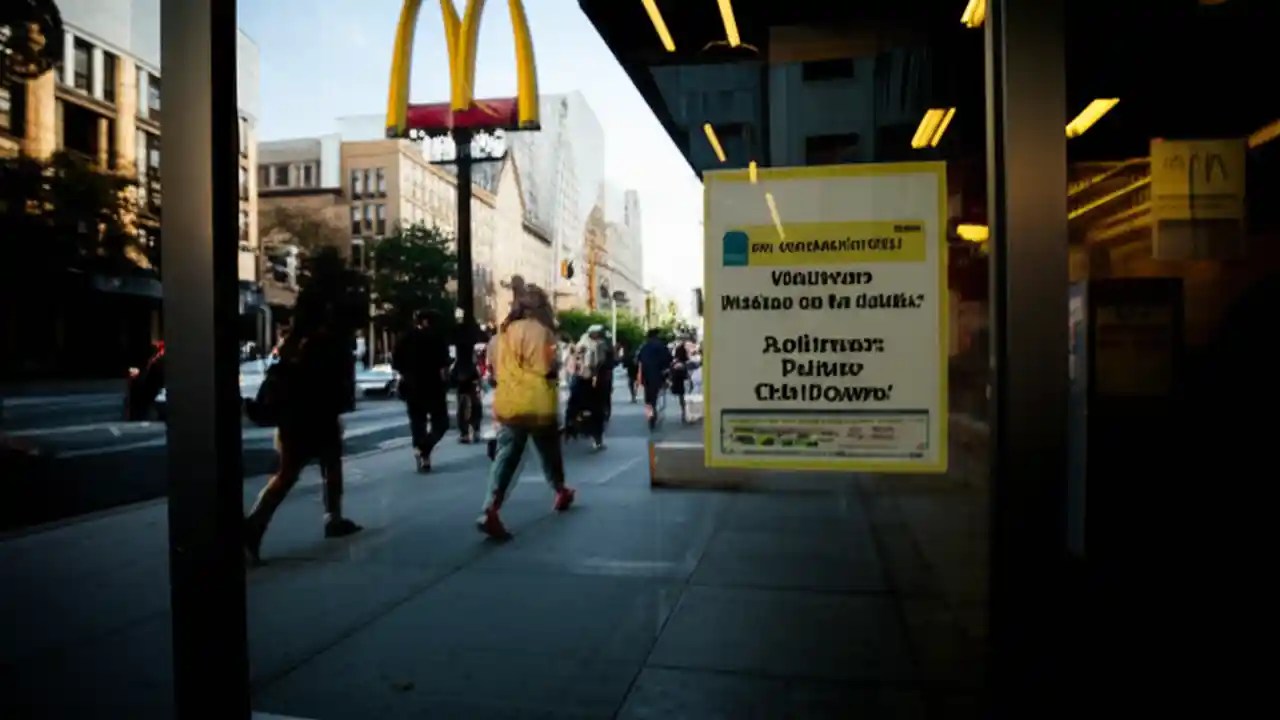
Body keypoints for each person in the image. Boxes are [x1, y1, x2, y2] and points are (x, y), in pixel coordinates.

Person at [244, 298, 362, 565]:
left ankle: (255, 524)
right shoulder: (329, 343)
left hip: (293, 418)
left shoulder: (294, 342)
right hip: (319, 415)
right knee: (330, 467)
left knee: (288, 474)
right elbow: (336, 384)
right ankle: (332, 517)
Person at [478, 283, 575, 539]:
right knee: (549, 452)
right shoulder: (544, 333)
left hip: (508, 403)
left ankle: (490, 508)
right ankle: (560, 490)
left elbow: (495, 373)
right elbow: (549, 366)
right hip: (539, 402)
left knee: (506, 457)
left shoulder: (498, 337)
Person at [392, 309, 451, 472]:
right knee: (441, 423)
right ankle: (426, 448)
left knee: (418, 422)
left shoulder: (405, 338)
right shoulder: (437, 337)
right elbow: (444, 364)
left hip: (412, 386)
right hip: (433, 386)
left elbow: (396, 363)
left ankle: (422, 453)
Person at [567, 325, 608, 449]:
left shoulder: (582, 344)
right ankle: (596, 438)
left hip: (581, 382)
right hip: (590, 382)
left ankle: (572, 429)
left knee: (574, 407)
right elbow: (600, 363)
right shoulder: (598, 345)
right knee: (596, 411)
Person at [636, 328, 673, 431]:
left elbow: (639, 361)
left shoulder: (644, 347)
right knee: (655, 396)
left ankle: (650, 416)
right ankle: (653, 413)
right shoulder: (661, 346)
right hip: (657, 375)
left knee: (648, 398)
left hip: (646, 376)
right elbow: (668, 359)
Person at [670, 343, 691, 423]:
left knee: (682, 398)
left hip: (679, 383)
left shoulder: (676, 362)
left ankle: (684, 413)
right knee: (685, 398)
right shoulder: (684, 363)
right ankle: (685, 413)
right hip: (684, 382)